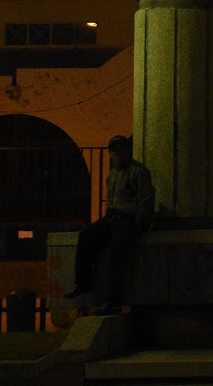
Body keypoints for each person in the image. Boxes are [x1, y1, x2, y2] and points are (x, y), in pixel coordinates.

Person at [63, 135, 154, 315]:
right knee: (86, 235)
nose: (117, 154)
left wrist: (139, 223)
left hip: (127, 218)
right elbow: (112, 200)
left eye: (121, 150)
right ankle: (83, 283)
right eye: (114, 151)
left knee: (115, 252)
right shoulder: (113, 174)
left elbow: (146, 201)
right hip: (113, 217)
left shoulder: (138, 172)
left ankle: (113, 301)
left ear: (128, 151)